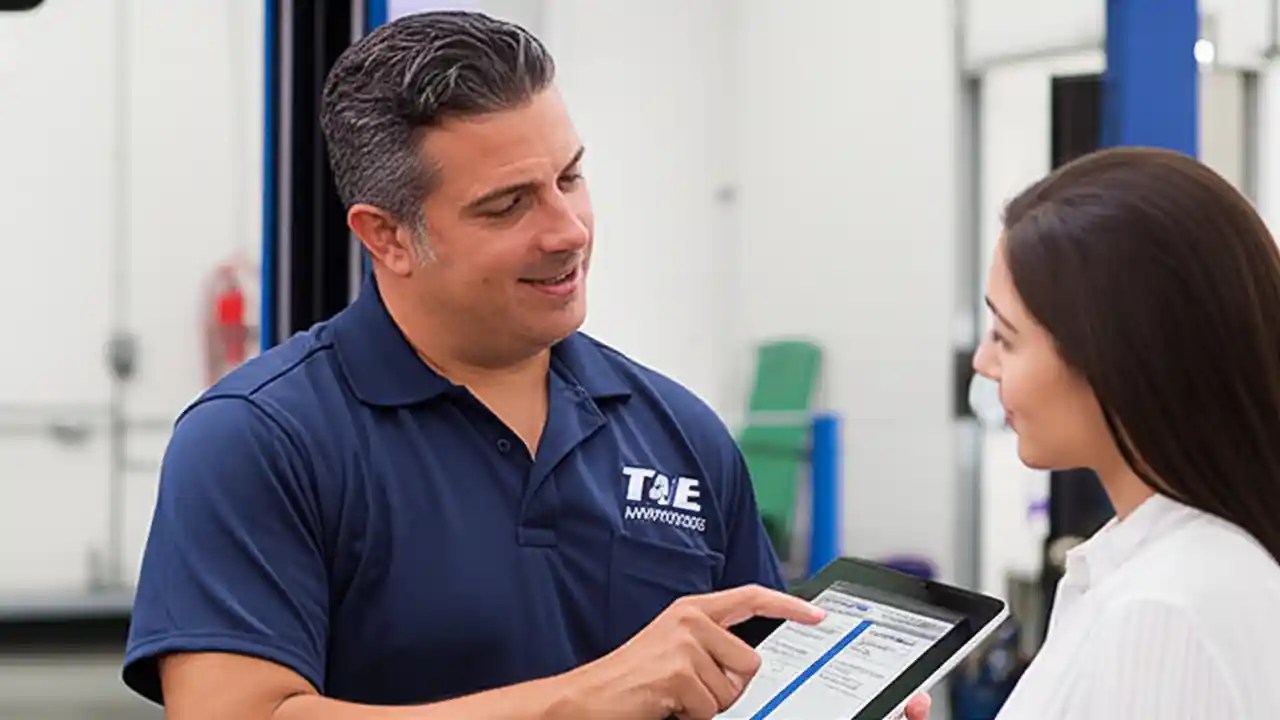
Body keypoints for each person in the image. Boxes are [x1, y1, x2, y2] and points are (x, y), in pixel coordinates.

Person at [121, 10, 930, 720]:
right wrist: (582, 699)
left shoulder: (676, 433)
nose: (568, 228)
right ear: (386, 237)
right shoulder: (259, 443)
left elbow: (745, 691)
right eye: (508, 205)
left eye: (570, 177)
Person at [972, 146, 1280, 718]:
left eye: (1006, 338)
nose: (983, 363)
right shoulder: (1144, 567)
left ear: (1114, 358)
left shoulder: (1168, 611)